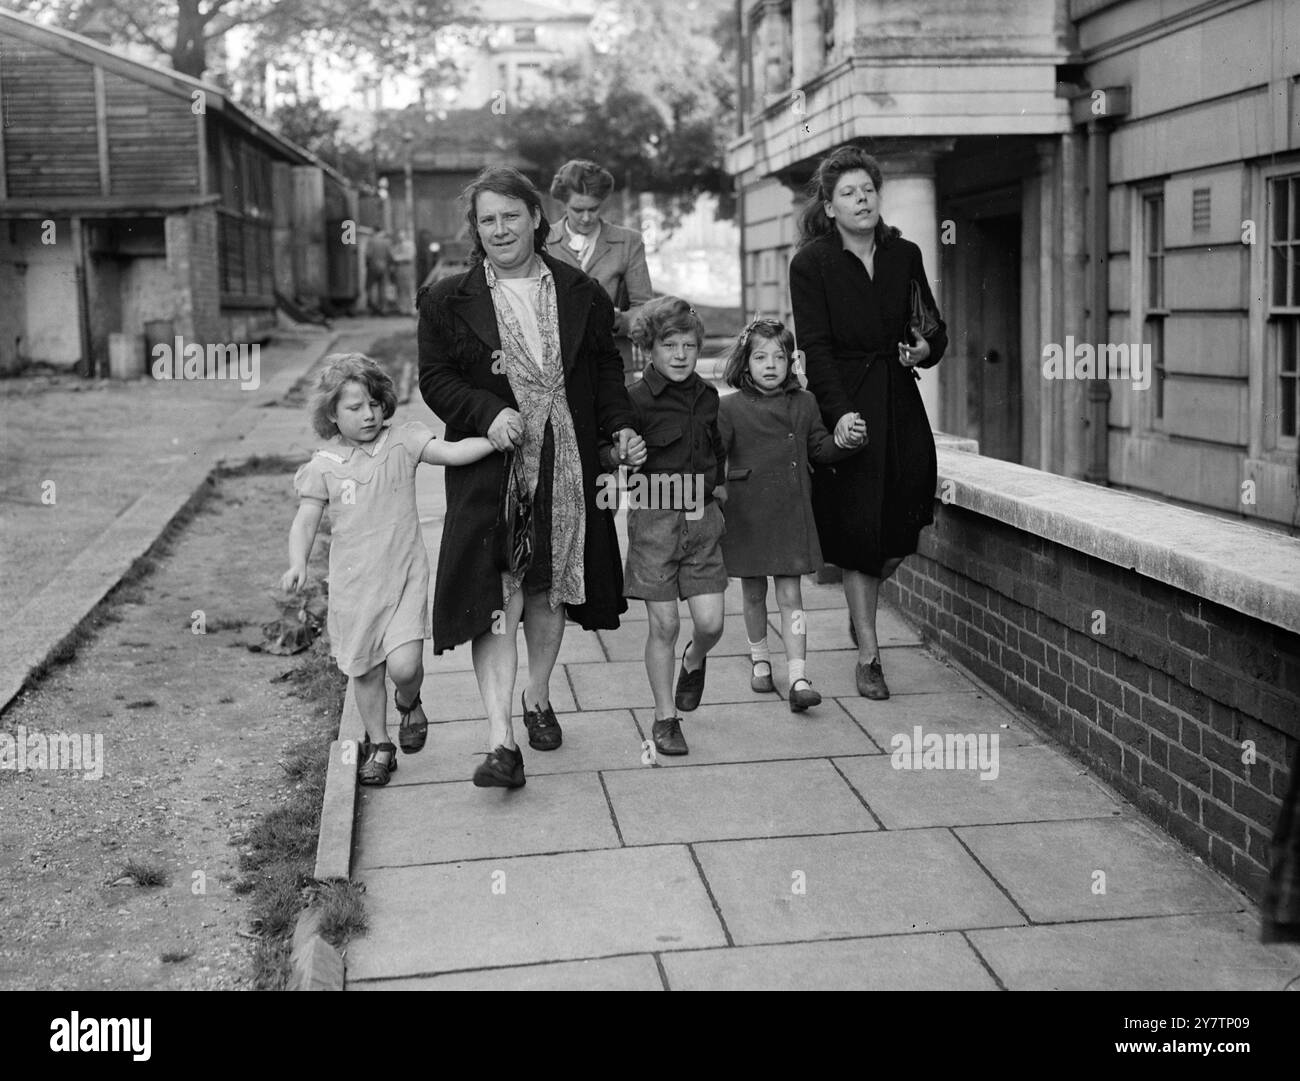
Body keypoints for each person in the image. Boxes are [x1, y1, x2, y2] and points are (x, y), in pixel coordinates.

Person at [418, 166, 647, 789]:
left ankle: (538, 695)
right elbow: (435, 379)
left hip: (567, 465)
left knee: (548, 589)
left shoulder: (582, 293)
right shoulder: (446, 299)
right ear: (477, 228)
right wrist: (487, 414)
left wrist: (619, 429)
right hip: (491, 470)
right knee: (497, 595)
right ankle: (500, 741)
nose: (499, 229)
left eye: (510, 216)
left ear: (535, 219)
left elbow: (605, 373)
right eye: (487, 219)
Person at [282, 354, 494, 785]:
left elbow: (450, 453)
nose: (368, 414)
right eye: (354, 408)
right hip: (354, 587)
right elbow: (305, 521)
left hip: (403, 578)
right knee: (364, 669)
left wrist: (494, 440)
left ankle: (410, 700)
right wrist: (297, 564)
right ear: (331, 415)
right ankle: (380, 745)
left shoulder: (403, 442)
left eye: (374, 403)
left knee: (403, 666)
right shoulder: (324, 467)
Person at [788, 145, 948, 700]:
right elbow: (814, 346)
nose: (862, 200)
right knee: (860, 528)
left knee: (906, 514)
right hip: (849, 402)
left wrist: (924, 348)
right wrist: (839, 417)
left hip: (900, 399)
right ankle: (869, 655)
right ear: (829, 207)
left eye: (868, 190)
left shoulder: (904, 254)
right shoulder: (812, 262)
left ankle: (863, 613)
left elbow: (933, 329)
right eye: (848, 194)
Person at [717, 318, 864, 713]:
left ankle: (799, 675)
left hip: (790, 511)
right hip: (747, 511)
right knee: (752, 593)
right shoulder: (729, 408)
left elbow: (819, 447)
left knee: (791, 595)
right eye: (760, 357)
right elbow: (714, 457)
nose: (770, 364)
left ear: (791, 361)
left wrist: (843, 441)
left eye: (779, 356)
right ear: (745, 363)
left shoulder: (806, 403)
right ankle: (760, 658)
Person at [614, 296, 726, 757]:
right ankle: (664, 718)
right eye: (669, 345)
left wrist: (719, 491)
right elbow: (610, 449)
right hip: (654, 524)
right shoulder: (633, 401)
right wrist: (620, 455)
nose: (680, 355)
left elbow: (716, 452)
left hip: (702, 522)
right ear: (648, 349)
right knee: (664, 624)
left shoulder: (709, 397)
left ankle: (694, 660)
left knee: (711, 623)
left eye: (689, 345)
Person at [544, 159, 654, 378]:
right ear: (563, 204)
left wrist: (619, 320)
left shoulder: (628, 242)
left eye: (593, 209)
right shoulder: (543, 242)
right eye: (578, 210)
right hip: (557, 367)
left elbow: (645, 308)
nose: (586, 218)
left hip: (613, 363)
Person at [365, 230, 393, 315]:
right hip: (383, 267)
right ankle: (383, 309)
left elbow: (368, 255)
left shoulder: (371, 241)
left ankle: (373, 307)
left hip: (373, 266)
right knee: (382, 288)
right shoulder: (387, 242)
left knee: (370, 287)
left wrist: (367, 264)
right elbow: (390, 255)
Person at [391, 230, 417, 315]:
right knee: (400, 288)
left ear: (405, 236)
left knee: (409, 287)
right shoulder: (397, 246)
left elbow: (409, 257)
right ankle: (402, 309)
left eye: (402, 236)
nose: (400, 238)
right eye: (399, 237)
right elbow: (392, 256)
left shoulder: (410, 245)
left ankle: (412, 309)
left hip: (407, 267)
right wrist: (398, 258)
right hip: (399, 268)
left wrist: (398, 258)